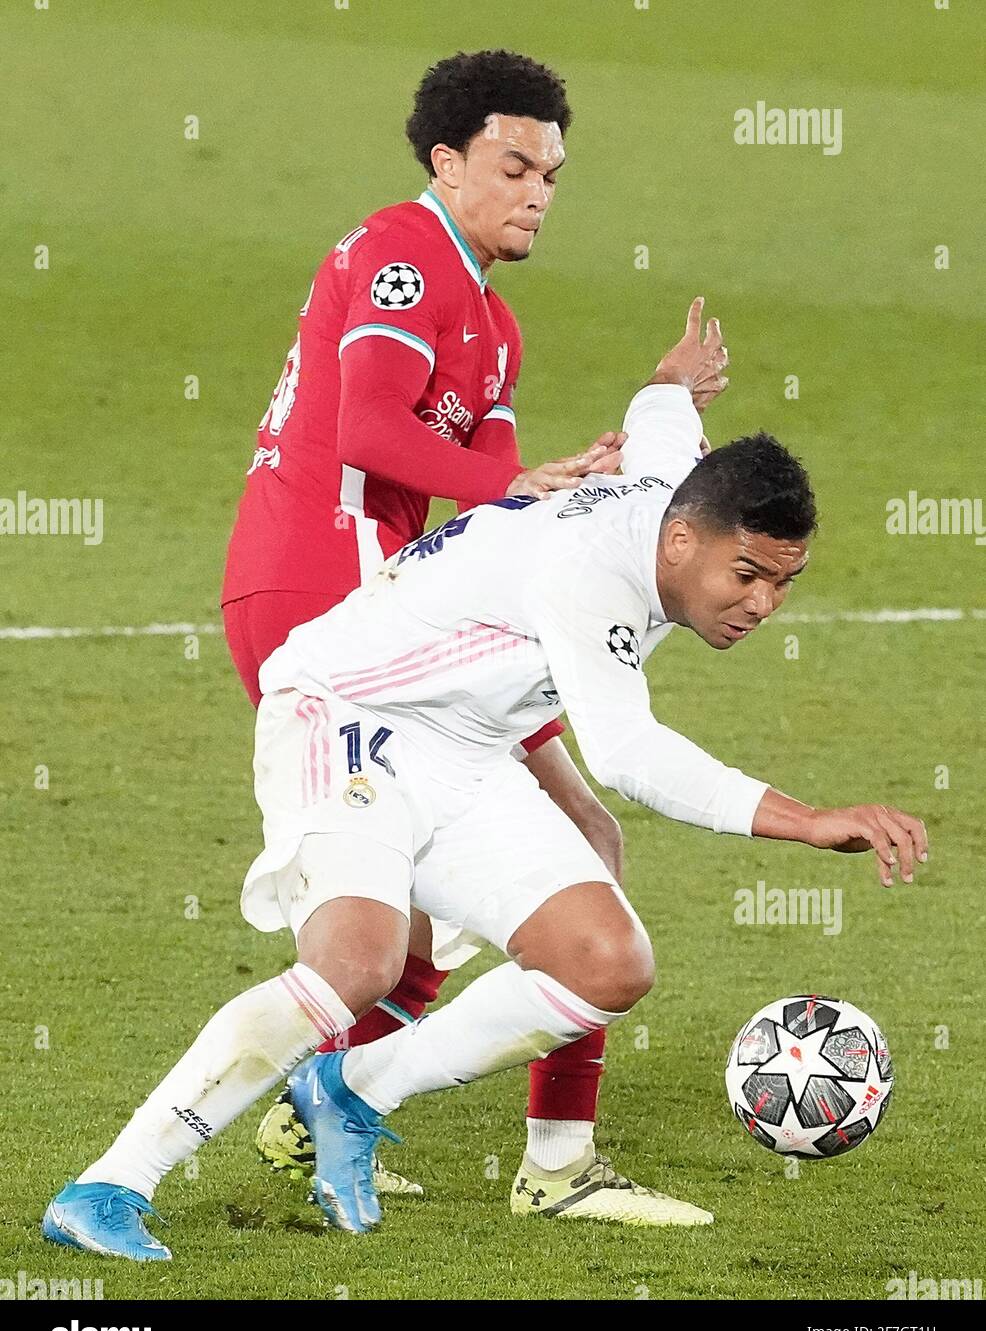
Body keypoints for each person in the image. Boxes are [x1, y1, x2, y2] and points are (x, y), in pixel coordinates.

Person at [43, 302, 926, 1257]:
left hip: (464, 748)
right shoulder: (594, 571)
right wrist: (807, 822)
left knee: (607, 963)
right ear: (682, 543)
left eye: (782, 583)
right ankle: (107, 1187)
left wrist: (674, 377)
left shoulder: (678, 491)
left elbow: (662, 416)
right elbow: (627, 754)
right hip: (345, 712)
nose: (762, 605)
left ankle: (354, 1091)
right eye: (747, 575)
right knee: (356, 964)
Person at [222, 48, 668, 1219]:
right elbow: (370, 430)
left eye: (552, 174)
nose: (537, 192)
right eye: (513, 166)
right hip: (329, 605)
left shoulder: (495, 321)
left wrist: (586, 469)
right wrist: (519, 484)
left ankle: (340, 1110)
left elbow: (492, 485)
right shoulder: (403, 251)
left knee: (560, 846)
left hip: (416, 616)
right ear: (446, 161)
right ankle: (518, 1154)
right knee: (426, 906)